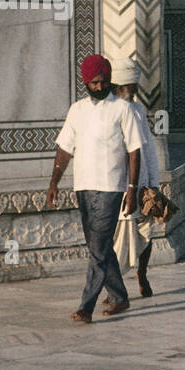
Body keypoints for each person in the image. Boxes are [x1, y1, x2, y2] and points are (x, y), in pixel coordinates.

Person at [47, 54, 144, 324]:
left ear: (109, 79)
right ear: (85, 82)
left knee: (98, 246)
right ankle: (119, 296)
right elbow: (65, 148)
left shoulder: (122, 109)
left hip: (111, 187)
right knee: (97, 246)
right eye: (93, 83)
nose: (99, 87)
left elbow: (134, 150)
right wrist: (54, 182)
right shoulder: (77, 110)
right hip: (84, 186)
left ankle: (86, 306)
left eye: (102, 82)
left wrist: (132, 189)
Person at [106, 59, 161, 307]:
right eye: (131, 87)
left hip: (142, 183)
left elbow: (147, 148)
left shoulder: (137, 111)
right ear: (118, 87)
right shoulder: (107, 111)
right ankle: (113, 288)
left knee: (145, 233)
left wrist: (154, 183)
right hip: (117, 185)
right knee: (114, 240)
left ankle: (143, 274)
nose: (134, 92)